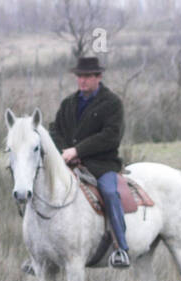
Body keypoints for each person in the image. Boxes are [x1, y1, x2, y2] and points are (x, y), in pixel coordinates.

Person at [49, 55, 130, 268]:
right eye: (79, 76)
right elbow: (54, 130)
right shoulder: (68, 103)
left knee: (111, 193)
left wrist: (78, 150)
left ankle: (121, 248)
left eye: (87, 76)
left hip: (102, 166)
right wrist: (65, 151)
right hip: (69, 164)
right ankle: (42, 252)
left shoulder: (112, 103)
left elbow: (111, 135)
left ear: (98, 77)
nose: (82, 81)